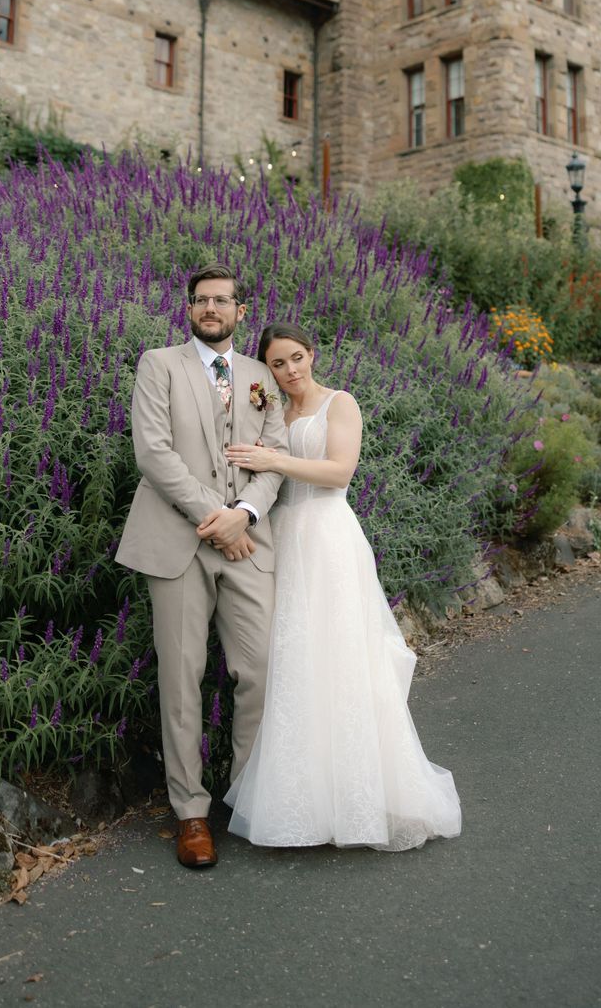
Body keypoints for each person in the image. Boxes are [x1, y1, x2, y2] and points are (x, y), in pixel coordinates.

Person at [221, 322, 462, 851]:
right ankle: (299, 799)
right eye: (278, 363)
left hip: (328, 538)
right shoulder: (270, 410)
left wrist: (273, 459)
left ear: (312, 355)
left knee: (340, 659)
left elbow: (339, 472)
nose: (290, 370)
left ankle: (356, 797)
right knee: (292, 660)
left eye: (297, 358)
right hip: (281, 536)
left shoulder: (340, 403)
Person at [114, 263, 289, 868]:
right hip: (179, 544)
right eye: (201, 300)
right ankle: (191, 813)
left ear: (242, 311)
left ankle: (246, 797)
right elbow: (153, 453)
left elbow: (277, 457)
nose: (211, 308)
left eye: (223, 300)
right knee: (182, 681)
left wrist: (246, 512)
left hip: (246, 545)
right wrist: (219, 516)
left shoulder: (262, 376)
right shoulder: (158, 365)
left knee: (260, 669)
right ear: (188, 309)